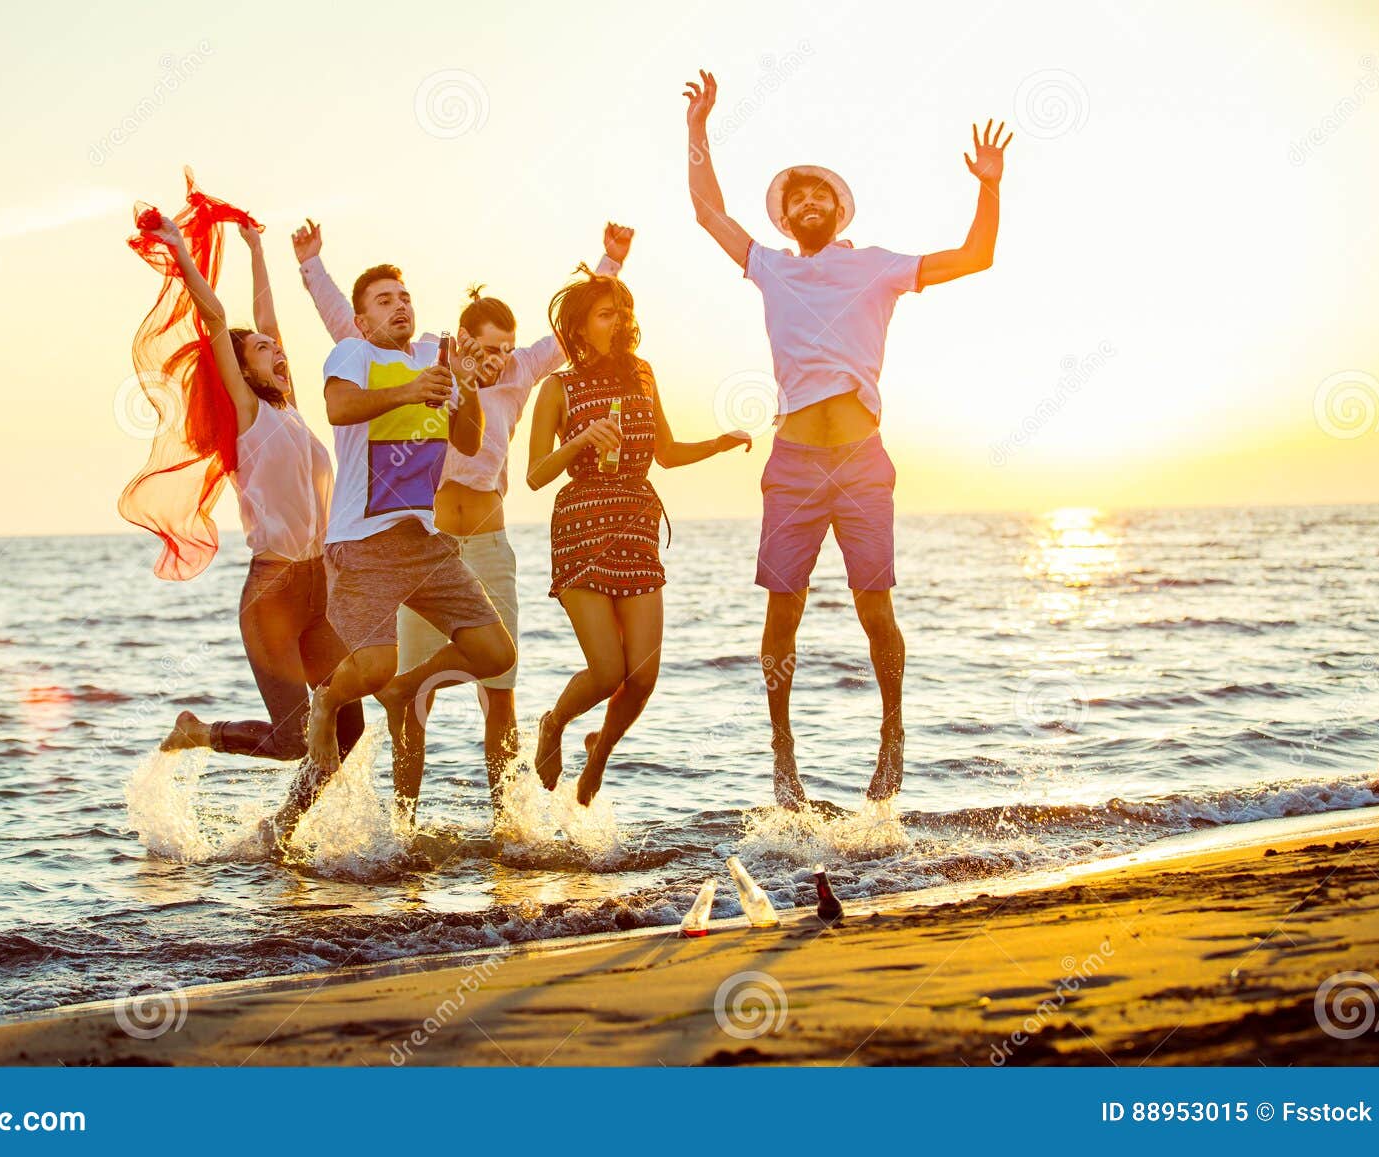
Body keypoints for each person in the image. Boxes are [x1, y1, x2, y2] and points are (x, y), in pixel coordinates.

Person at [683, 69, 1010, 808]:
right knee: (782, 612)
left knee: (875, 609)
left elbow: (976, 255)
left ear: (837, 208)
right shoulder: (767, 266)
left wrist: (989, 184)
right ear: (786, 216)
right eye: (794, 198)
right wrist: (699, 127)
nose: (806, 204)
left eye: (817, 195)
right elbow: (707, 211)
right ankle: (783, 751)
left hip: (863, 461)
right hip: (794, 462)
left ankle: (892, 737)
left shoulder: (877, 267)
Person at [290, 222, 632, 809]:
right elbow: (344, 376)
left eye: (404, 296)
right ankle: (395, 810)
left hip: (456, 543)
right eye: (384, 300)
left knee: (499, 671)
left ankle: (504, 821)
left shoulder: (491, 368)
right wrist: (311, 265)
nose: (498, 357)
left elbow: (558, 339)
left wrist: (611, 262)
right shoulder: (378, 353)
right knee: (379, 674)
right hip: (385, 538)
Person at [126, 193, 365, 814]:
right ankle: (197, 733)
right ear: (241, 368)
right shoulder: (249, 415)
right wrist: (181, 253)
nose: (278, 350)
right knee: (291, 740)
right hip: (274, 596)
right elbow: (217, 320)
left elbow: (268, 318)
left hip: (321, 588)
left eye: (277, 347)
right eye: (262, 350)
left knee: (348, 727)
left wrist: (259, 247)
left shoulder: (289, 410)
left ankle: (280, 833)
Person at [298, 264, 517, 824]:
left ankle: (404, 691)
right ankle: (326, 699)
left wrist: (463, 384)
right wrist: (410, 391)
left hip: (423, 541)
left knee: (496, 654)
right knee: (370, 666)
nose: (399, 306)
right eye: (383, 300)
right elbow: (338, 408)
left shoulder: (434, 359)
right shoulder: (355, 354)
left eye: (404, 297)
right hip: (361, 543)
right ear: (361, 318)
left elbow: (467, 440)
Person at [527, 266, 752, 806]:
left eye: (623, 312)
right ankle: (553, 724)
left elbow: (667, 455)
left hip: (636, 522)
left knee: (644, 676)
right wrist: (580, 439)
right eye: (607, 314)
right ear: (580, 329)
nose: (620, 321)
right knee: (607, 671)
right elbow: (536, 475)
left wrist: (720, 443)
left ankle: (598, 752)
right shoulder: (557, 388)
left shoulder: (643, 374)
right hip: (581, 527)